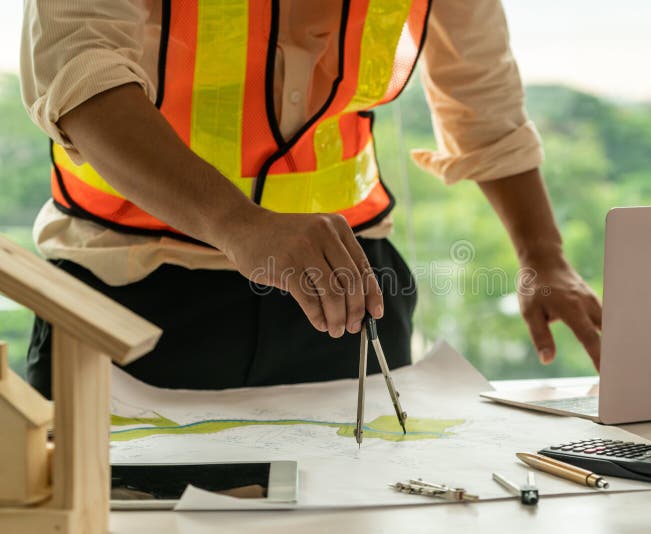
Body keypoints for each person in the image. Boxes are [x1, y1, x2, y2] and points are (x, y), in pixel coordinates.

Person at [20, 0, 602, 398]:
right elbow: (79, 75)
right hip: (128, 290)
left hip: (352, 290)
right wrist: (239, 223)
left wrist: (542, 252)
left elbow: (482, 89)